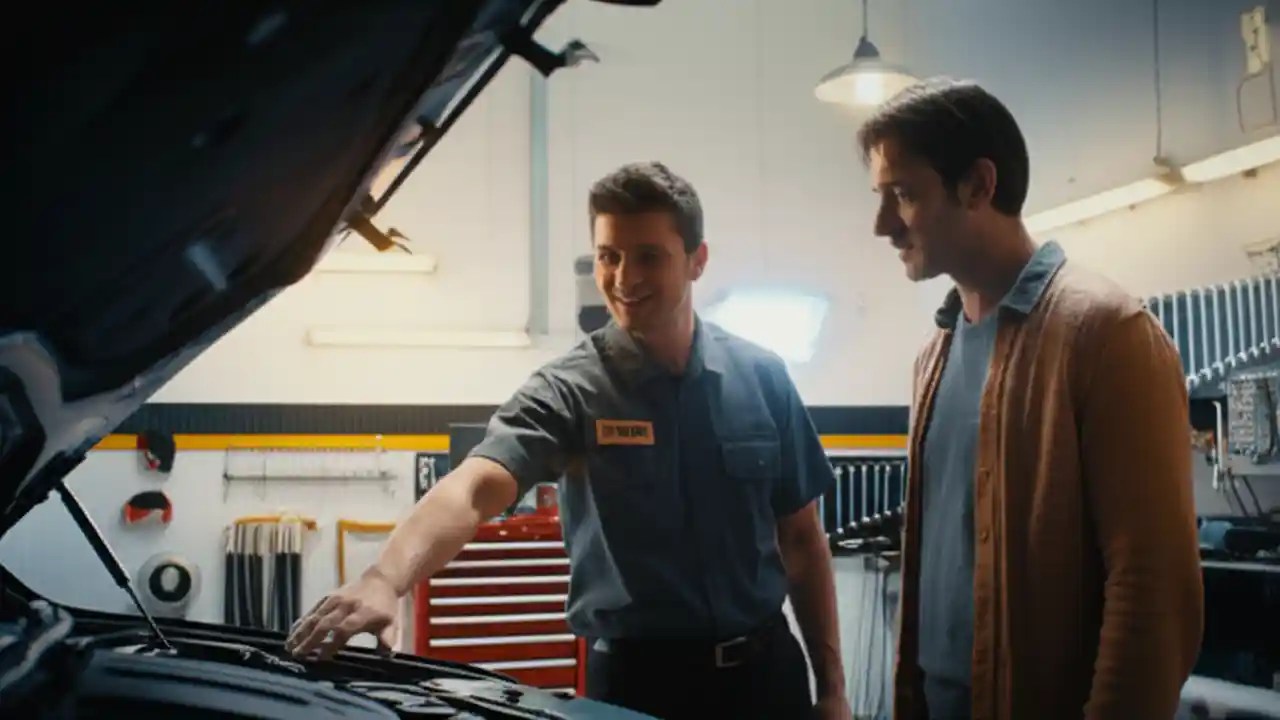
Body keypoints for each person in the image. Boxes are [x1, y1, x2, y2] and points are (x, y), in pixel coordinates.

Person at [286, 161, 852, 720]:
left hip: (765, 679)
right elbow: (476, 486)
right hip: (638, 686)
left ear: (697, 261)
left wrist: (832, 692)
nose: (624, 279)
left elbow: (802, 540)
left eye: (649, 256)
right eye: (609, 256)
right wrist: (387, 577)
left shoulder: (763, 377)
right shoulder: (571, 390)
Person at [856, 78, 1204, 720]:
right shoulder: (933, 356)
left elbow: (1152, 589)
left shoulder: (1107, 333)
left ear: (979, 185)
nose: (882, 225)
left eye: (902, 195)